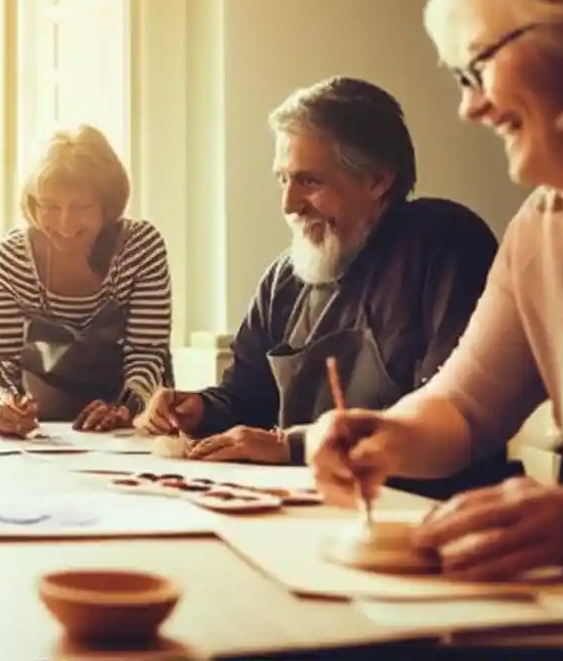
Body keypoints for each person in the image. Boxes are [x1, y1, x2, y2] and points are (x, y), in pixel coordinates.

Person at [309, 0, 563, 580]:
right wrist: (384, 435)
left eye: (478, 67)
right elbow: (463, 407)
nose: (470, 107)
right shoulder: (543, 233)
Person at [137, 77, 513, 500]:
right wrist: (200, 409)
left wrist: (289, 446)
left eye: (309, 182)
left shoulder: (445, 244)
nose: (288, 204)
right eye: (283, 179)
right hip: (314, 508)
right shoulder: (283, 279)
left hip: (426, 512)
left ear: (377, 181)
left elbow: (448, 414)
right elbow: (247, 396)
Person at [0, 125, 173, 438]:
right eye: (50, 207)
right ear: (33, 203)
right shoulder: (9, 260)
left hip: (129, 429)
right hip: (43, 435)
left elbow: (148, 352)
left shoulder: (140, 247)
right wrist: (3, 405)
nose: (65, 224)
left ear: (107, 204)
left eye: (81, 207)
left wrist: (126, 407)